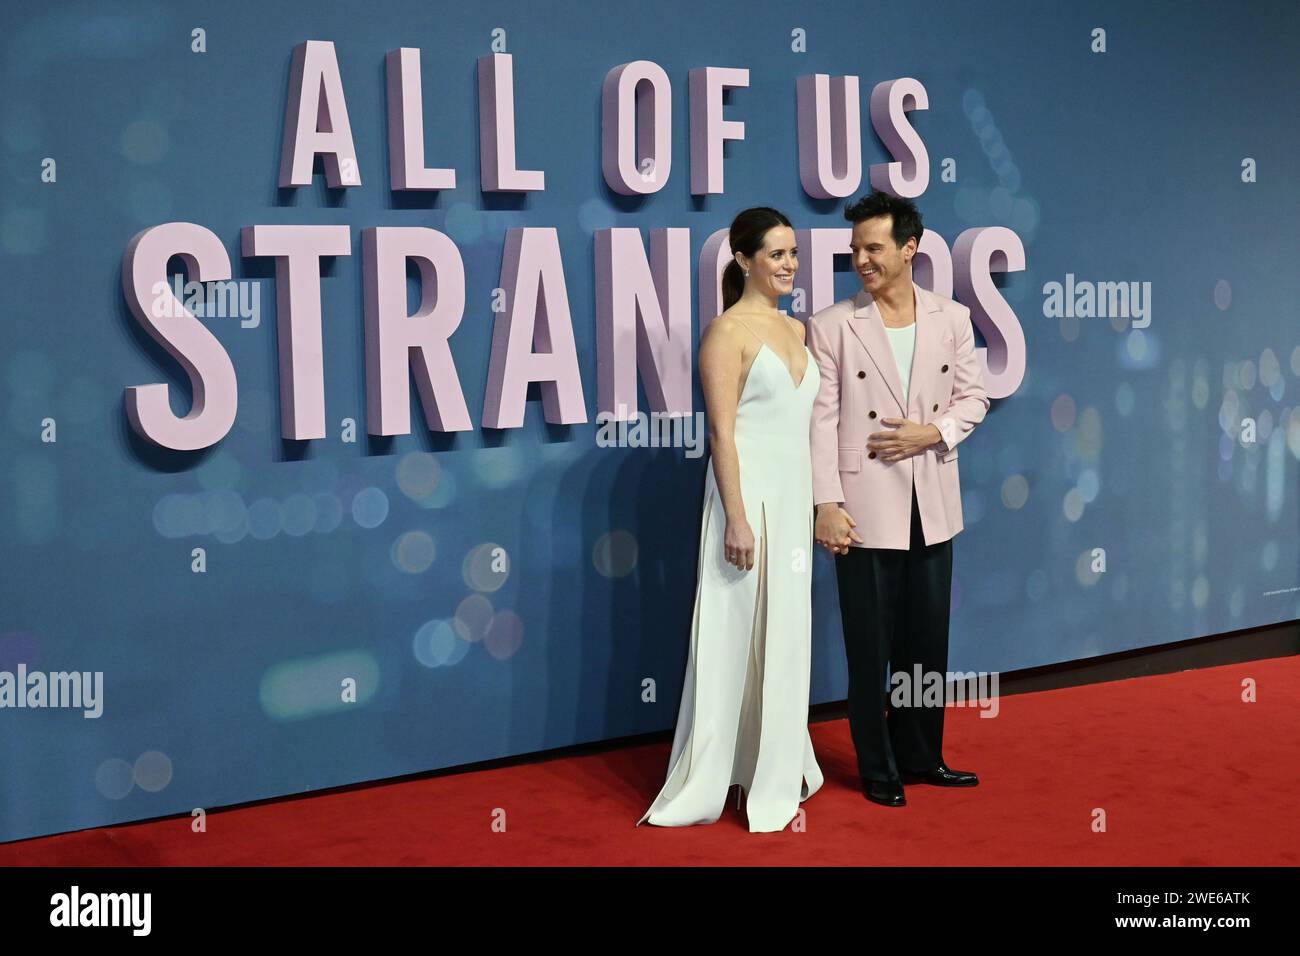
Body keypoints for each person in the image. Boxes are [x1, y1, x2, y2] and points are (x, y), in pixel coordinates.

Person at [638, 207, 824, 832]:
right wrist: (737, 519)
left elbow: (806, 431)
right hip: (745, 504)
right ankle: (718, 771)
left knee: (788, 636)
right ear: (743, 259)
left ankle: (773, 766)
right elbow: (722, 434)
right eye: (776, 254)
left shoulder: (797, 330)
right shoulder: (726, 333)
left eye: (793, 253)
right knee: (731, 634)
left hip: (794, 506)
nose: (789, 264)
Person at [808, 191, 989, 808]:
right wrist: (825, 503)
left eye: (873, 247)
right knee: (869, 647)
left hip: (933, 503)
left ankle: (922, 755)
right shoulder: (832, 325)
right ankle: (878, 766)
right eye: (855, 248)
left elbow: (974, 397)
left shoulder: (952, 318)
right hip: (863, 508)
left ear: (910, 249)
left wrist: (933, 433)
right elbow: (822, 422)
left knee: (925, 645)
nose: (861, 258)